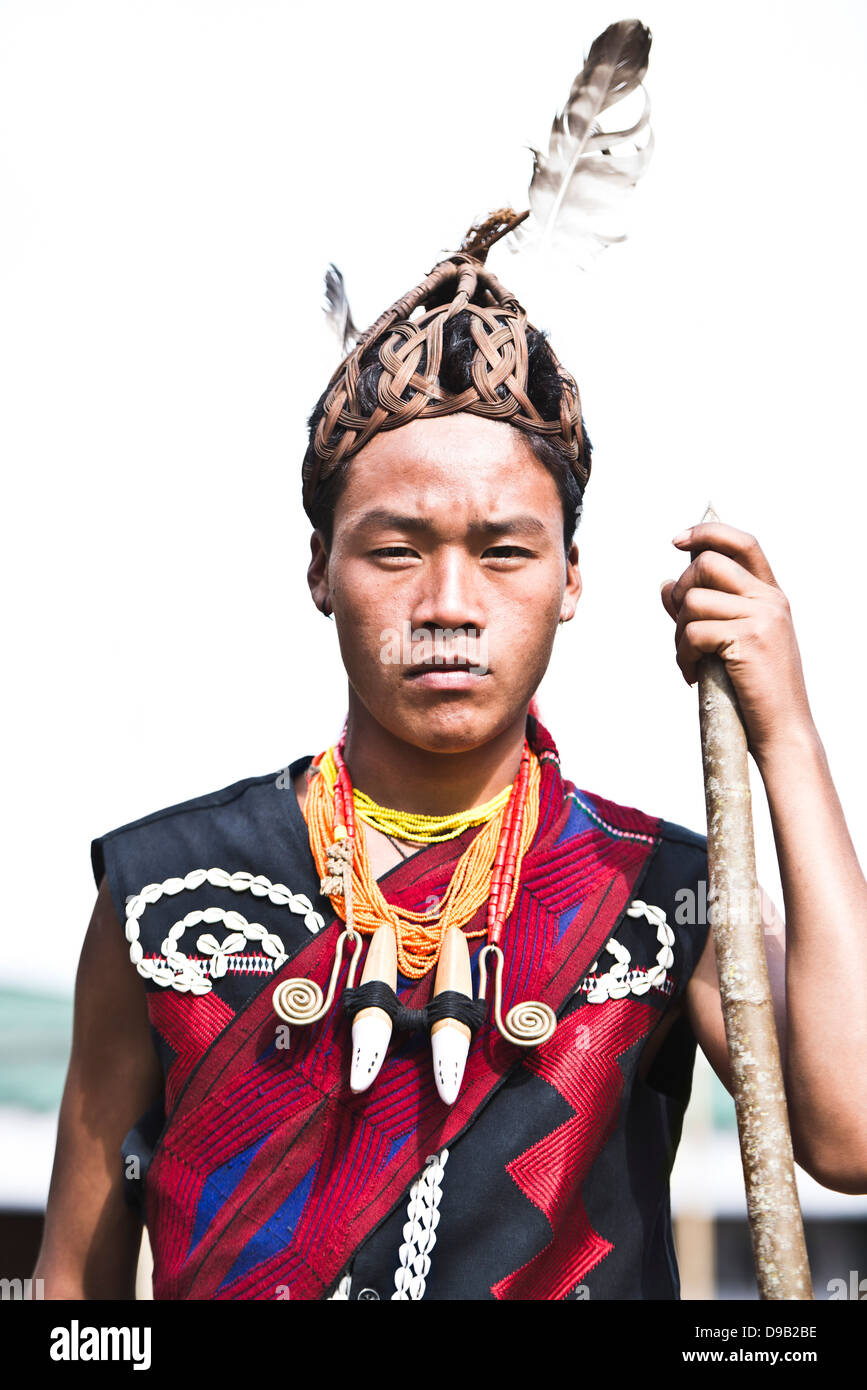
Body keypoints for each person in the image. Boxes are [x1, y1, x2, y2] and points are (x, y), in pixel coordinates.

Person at [34, 233, 867, 1302]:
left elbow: (850, 1136)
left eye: (505, 551)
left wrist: (785, 732)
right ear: (319, 571)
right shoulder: (164, 894)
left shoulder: (666, 897)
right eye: (394, 550)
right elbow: (73, 1297)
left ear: (572, 577)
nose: (449, 605)